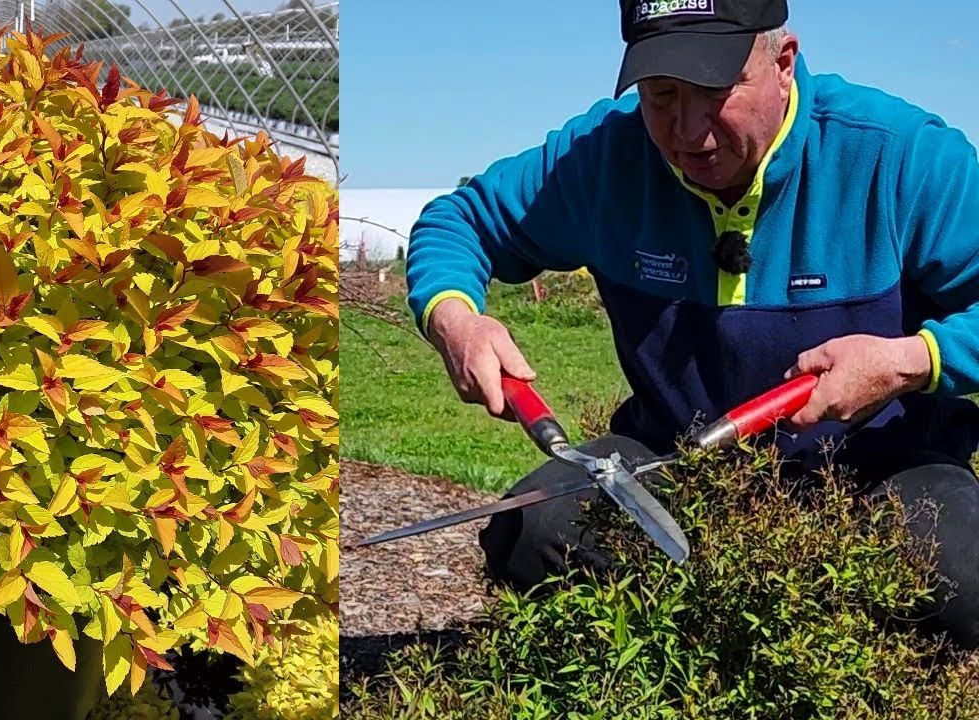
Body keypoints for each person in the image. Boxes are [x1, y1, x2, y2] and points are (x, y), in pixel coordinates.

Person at [405, 0, 979, 649]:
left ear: (783, 63)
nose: (688, 131)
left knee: (963, 580)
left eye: (713, 91)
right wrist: (456, 319)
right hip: (674, 467)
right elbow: (460, 220)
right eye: (661, 94)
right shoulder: (603, 158)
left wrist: (911, 361)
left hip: (882, 471)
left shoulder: (899, 157)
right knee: (536, 533)